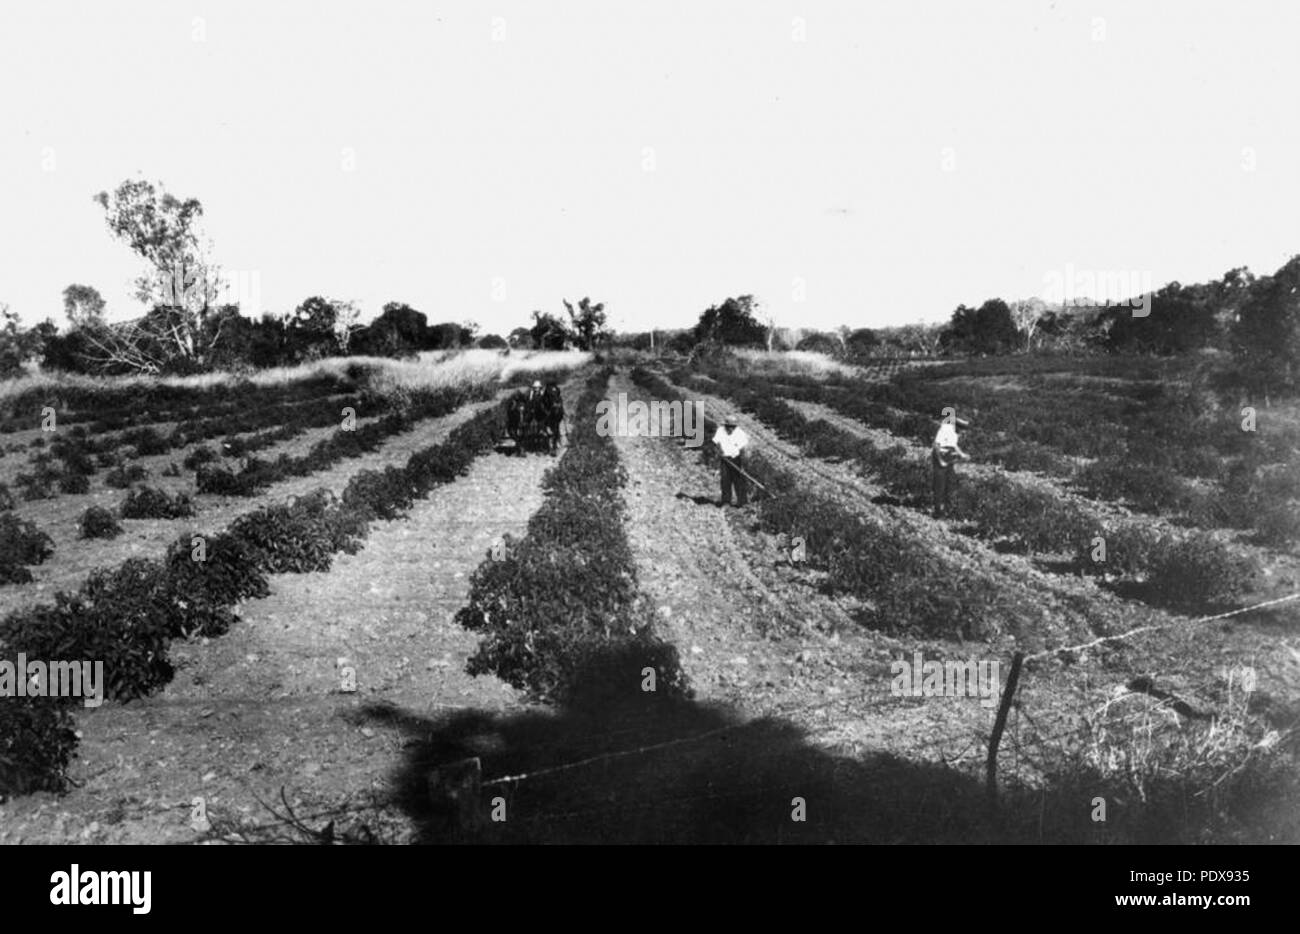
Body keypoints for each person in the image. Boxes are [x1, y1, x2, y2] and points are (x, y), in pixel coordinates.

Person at [932, 413, 970, 518]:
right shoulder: (945, 430)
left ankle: (949, 509)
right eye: (962, 427)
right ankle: (938, 511)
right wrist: (940, 461)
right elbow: (936, 446)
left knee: (951, 482)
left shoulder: (956, 433)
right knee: (940, 484)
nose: (963, 431)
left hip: (949, 456)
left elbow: (954, 445)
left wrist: (962, 454)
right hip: (939, 455)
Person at [712, 414, 751, 507]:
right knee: (725, 480)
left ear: (735, 426)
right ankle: (726, 501)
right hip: (725, 459)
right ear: (725, 425)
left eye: (733, 427)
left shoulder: (740, 434)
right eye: (728, 426)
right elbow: (716, 443)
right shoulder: (720, 431)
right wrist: (719, 452)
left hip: (736, 459)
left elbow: (744, 450)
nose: (730, 429)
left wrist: (743, 465)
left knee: (739, 481)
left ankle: (742, 502)